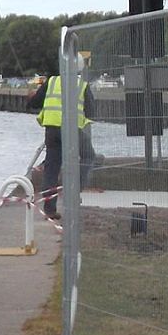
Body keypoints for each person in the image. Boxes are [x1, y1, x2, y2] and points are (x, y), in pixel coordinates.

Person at [26, 63, 97, 221]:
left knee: (51, 169)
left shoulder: (51, 82)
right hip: (72, 130)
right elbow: (91, 111)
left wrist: (31, 96)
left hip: (52, 130)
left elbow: (34, 103)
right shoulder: (82, 85)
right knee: (88, 156)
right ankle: (74, 192)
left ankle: (50, 210)